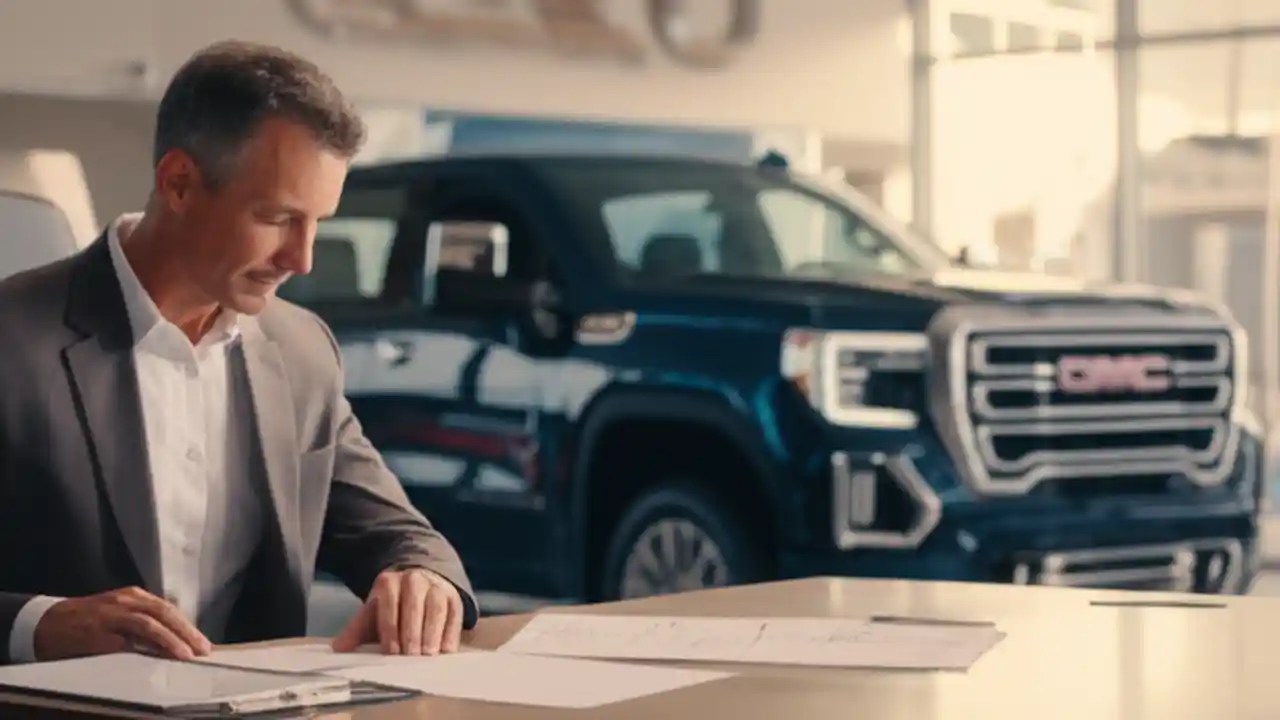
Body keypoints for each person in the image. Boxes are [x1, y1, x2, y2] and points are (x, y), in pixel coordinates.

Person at [0, 40, 477, 664]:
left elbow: (398, 535)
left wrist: (424, 577)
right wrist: (38, 626)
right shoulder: (12, 340)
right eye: (277, 218)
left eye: (317, 223)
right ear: (178, 183)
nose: (301, 260)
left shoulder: (302, 350)